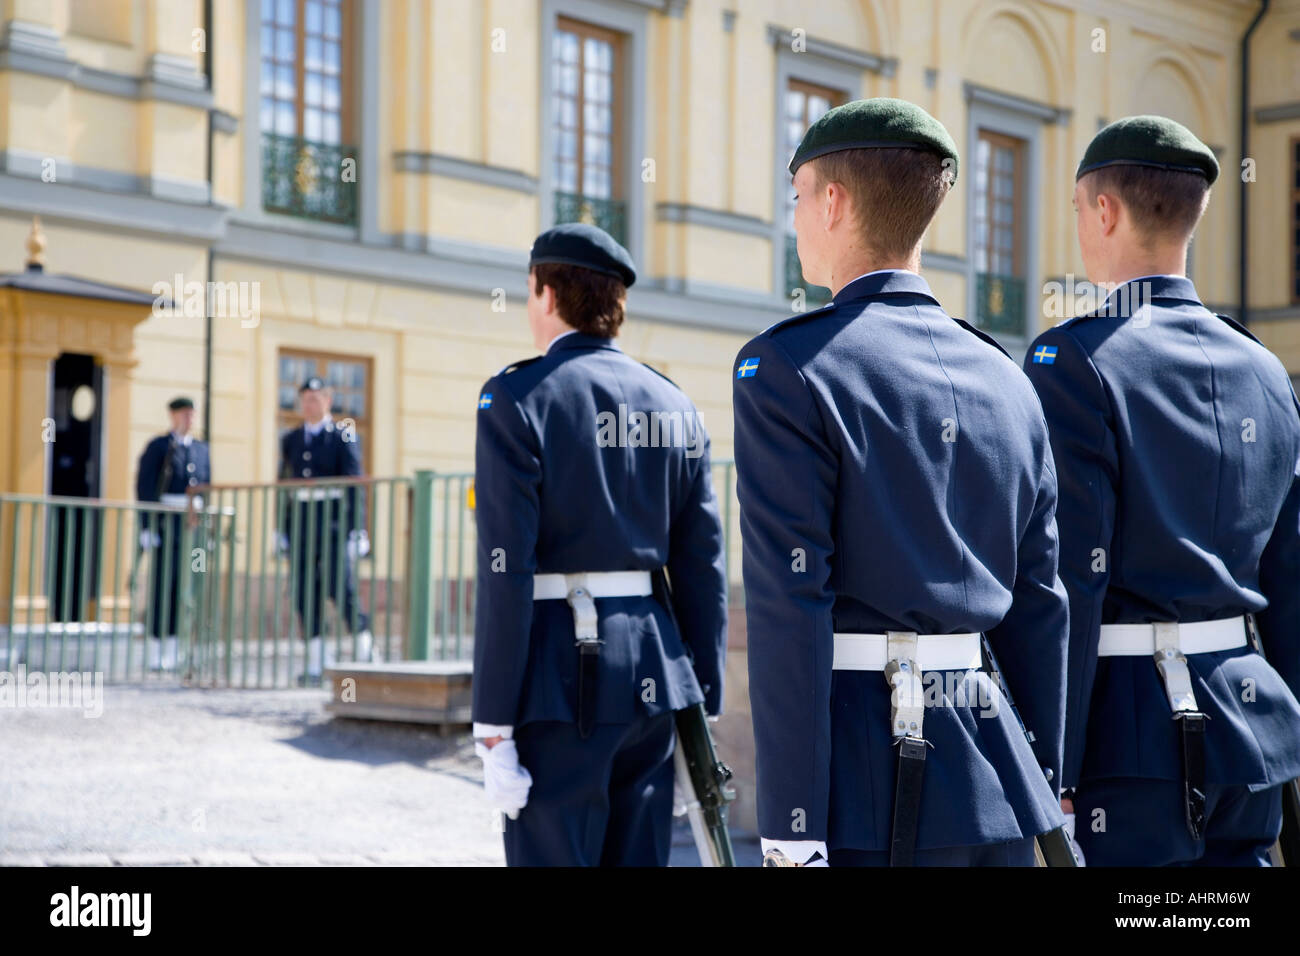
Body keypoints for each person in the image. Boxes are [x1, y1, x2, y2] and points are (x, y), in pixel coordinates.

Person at [733, 98, 1070, 867]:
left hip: (865, 783)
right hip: (997, 777)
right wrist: (1043, 774)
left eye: (796, 201)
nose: (794, 224)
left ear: (832, 201)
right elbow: (1043, 600)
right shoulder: (1009, 378)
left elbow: (790, 604)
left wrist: (789, 822)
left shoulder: (788, 367)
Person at [1024, 116, 1300, 866]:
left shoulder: (1071, 361)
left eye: (1079, 211)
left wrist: (1052, 762)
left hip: (1129, 739)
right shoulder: (1265, 369)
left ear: (1105, 211)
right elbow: (1289, 575)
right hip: (1253, 727)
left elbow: (1071, 582)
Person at [472, 223, 728, 866]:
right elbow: (703, 564)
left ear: (547, 293)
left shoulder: (516, 397)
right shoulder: (674, 403)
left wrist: (493, 723)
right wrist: (703, 697)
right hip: (654, 674)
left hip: (559, 676)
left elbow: (506, 569)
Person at [278, 376, 375, 684]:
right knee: (305, 592)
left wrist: (357, 529)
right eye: (306, 398)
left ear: (328, 401)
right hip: (302, 522)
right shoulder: (291, 439)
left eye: (317, 398)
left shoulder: (342, 434)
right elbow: (284, 485)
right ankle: (318, 663)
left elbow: (354, 484)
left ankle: (365, 653)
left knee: (341, 588)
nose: (311, 403)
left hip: (332, 521)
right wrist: (280, 528)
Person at [135, 396, 210, 671]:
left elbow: (206, 488)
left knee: (187, 588)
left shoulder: (201, 449)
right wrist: (147, 526)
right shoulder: (159, 446)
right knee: (163, 586)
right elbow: (145, 488)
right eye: (183, 414)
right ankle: (156, 649)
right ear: (172, 415)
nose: (188, 419)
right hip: (167, 526)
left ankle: (179, 648)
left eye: (191, 414)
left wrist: (207, 530)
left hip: (193, 528)